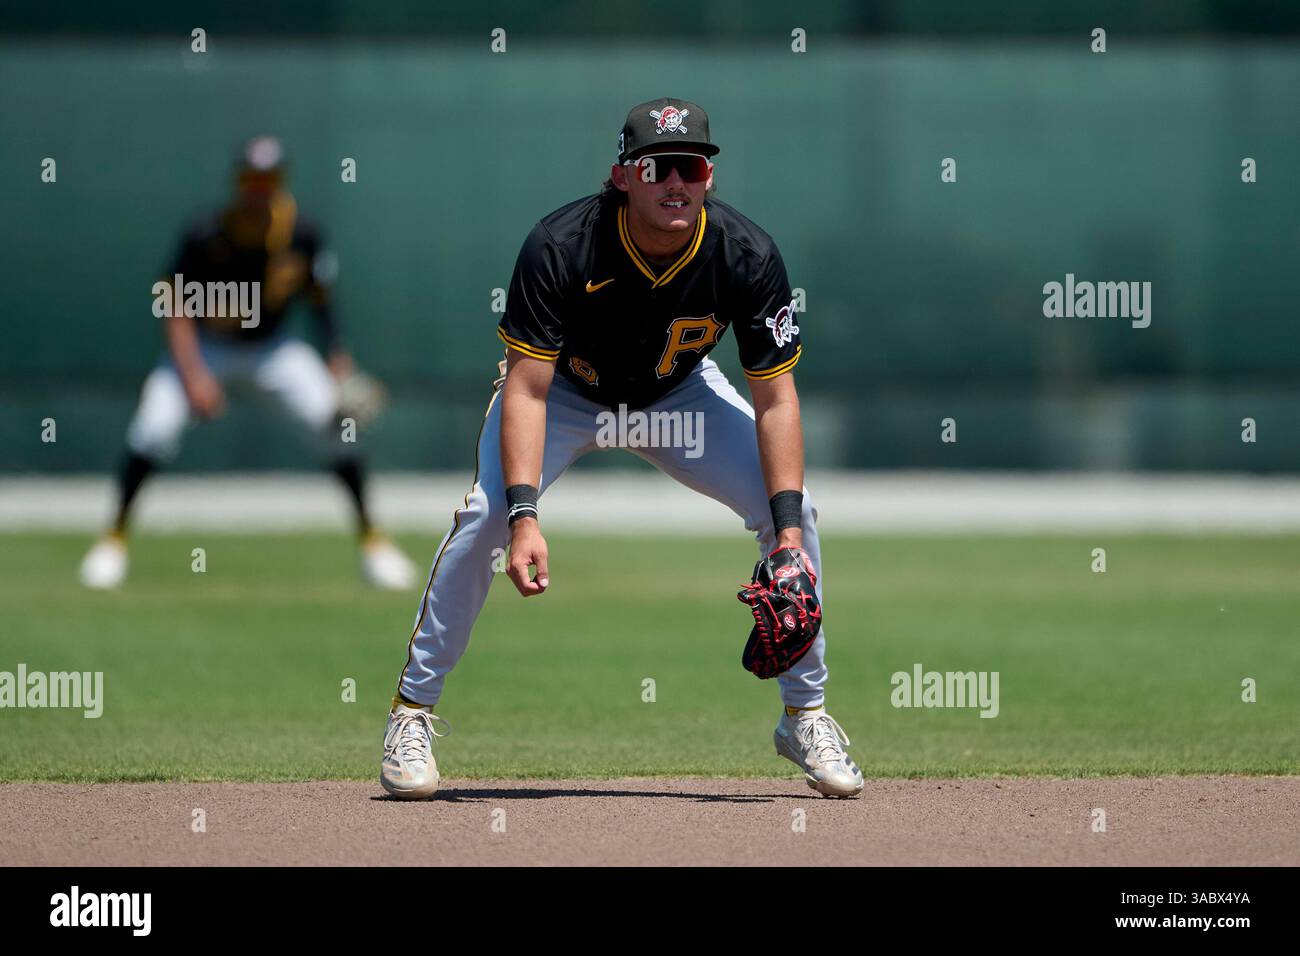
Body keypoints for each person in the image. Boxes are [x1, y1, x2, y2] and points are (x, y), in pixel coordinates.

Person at [380, 99, 863, 799]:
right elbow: (526, 391)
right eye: (657, 166)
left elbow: (777, 400)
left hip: (678, 399)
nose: (676, 182)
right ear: (622, 176)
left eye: (692, 166)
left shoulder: (745, 252)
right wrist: (523, 517)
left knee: (798, 515)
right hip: (567, 398)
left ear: (708, 178)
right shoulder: (561, 245)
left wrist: (784, 533)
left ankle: (805, 715)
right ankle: (412, 712)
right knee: (485, 517)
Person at [78, 136, 416, 591]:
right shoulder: (207, 232)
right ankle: (113, 540)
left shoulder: (302, 232)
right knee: (154, 428)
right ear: (238, 182)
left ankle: (374, 544)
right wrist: (194, 377)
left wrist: (338, 361)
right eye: (251, 179)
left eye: (268, 179)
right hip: (207, 346)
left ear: (280, 182)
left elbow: (321, 303)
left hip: (273, 349)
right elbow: (173, 304)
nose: (259, 189)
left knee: (336, 428)